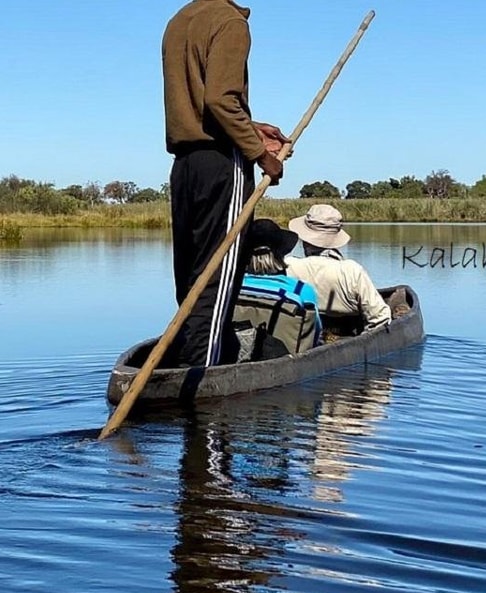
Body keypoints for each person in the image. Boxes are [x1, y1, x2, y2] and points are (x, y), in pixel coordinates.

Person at [162, 0, 291, 367]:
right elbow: (220, 99)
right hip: (222, 163)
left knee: (191, 284)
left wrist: (252, 127)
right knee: (215, 284)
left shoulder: (180, 21)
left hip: (186, 166)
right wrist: (261, 154)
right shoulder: (230, 21)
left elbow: (201, 106)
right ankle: (205, 386)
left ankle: (190, 366)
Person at [283, 204, 391, 330]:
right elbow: (381, 318)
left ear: (304, 238)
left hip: (304, 335)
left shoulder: (288, 266)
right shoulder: (352, 271)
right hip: (347, 332)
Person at [233, 219, 322, 359]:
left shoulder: (230, 288)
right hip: (289, 363)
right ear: (281, 253)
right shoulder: (302, 291)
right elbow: (315, 335)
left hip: (234, 355)